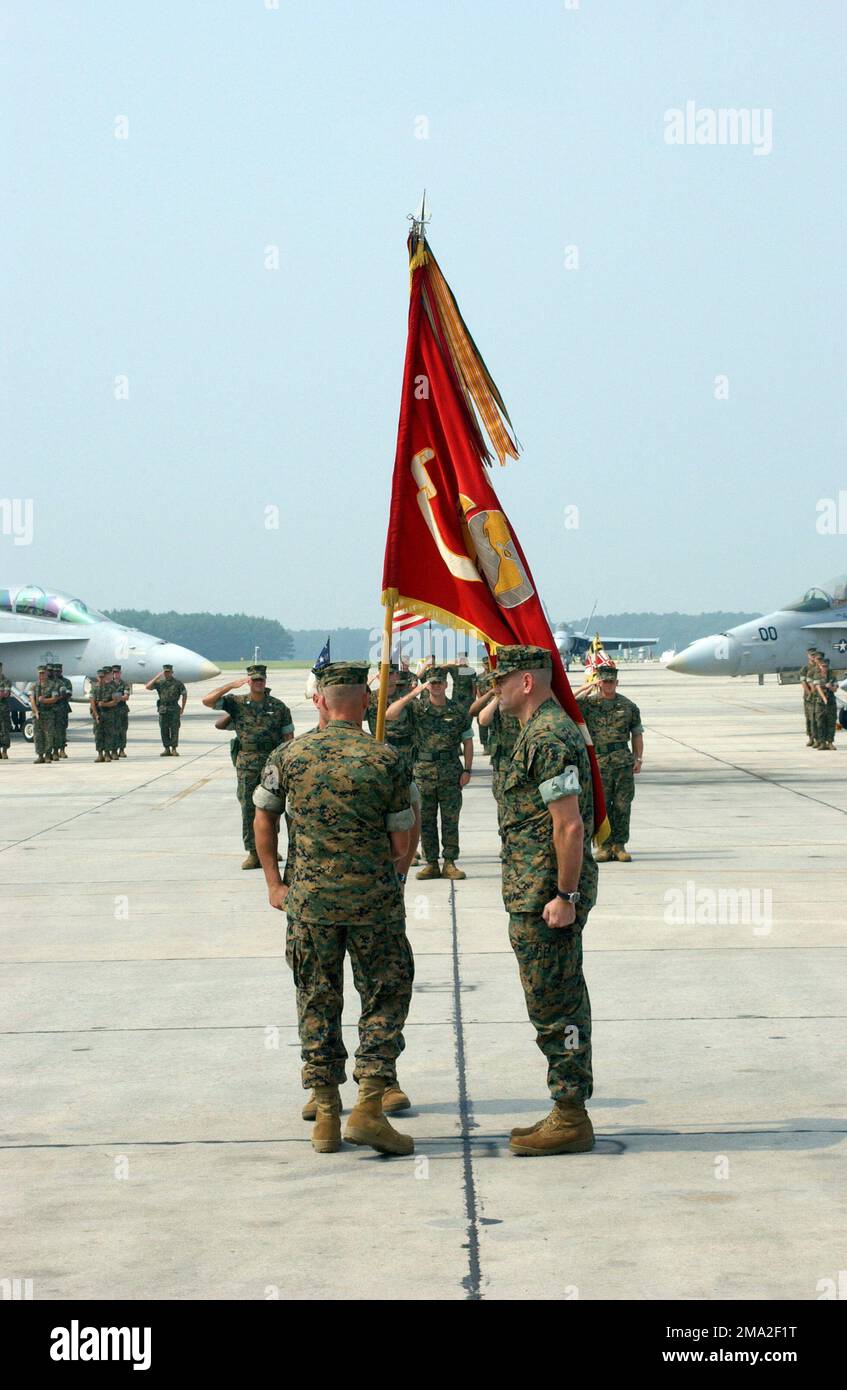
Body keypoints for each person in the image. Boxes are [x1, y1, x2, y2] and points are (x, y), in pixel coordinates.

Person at [252, 661, 416, 1157]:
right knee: (384, 996)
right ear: (366, 701)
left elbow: (262, 821)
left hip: (309, 905)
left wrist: (275, 883)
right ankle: (369, 1105)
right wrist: (389, 876)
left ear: (321, 701)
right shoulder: (386, 759)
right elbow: (403, 839)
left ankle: (325, 1112)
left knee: (316, 1000)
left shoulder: (289, 755)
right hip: (374, 905)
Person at [492, 644, 598, 1156]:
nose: (496, 689)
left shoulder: (550, 736)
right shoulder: (534, 732)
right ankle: (565, 1109)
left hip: (546, 898)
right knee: (548, 1002)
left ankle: (572, 1113)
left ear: (527, 682)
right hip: (531, 891)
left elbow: (570, 824)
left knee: (559, 1004)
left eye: (501, 680)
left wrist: (566, 895)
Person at [386, 664, 473, 880]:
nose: (435, 686)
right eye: (432, 683)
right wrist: (412, 694)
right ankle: (431, 862)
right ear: (427, 686)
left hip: (451, 770)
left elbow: (468, 741)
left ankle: (450, 862)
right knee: (425, 820)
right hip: (424, 771)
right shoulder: (418, 709)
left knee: (450, 819)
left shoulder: (458, 710)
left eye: (439, 683)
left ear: (445, 684)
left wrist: (468, 769)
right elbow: (389, 714)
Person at [203, 665, 294, 868]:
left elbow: (288, 737)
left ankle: (269, 849)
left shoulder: (279, 706)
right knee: (249, 807)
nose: (258, 682)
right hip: (247, 763)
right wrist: (230, 686)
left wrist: (286, 762)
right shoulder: (237, 703)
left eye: (261, 679)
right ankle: (254, 852)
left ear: (265, 681)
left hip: (272, 763)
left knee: (273, 806)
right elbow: (207, 701)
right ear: (248, 681)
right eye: (254, 680)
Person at [576, 662, 643, 862]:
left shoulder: (628, 706)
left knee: (623, 805)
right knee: (602, 805)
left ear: (617, 682)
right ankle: (604, 846)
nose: (609, 686)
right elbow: (567, 702)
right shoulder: (588, 705)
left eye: (612, 682)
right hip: (598, 762)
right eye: (605, 682)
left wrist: (638, 758)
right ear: (599, 682)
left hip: (622, 761)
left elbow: (637, 734)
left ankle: (619, 845)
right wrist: (586, 688)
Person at [469, 676, 520, 833]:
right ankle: (506, 844)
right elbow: (479, 716)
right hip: (504, 761)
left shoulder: (522, 698)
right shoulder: (498, 701)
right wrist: (495, 696)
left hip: (523, 759)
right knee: (504, 805)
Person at [146, 664, 187, 755]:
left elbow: (184, 695)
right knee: (163, 729)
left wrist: (183, 708)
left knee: (174, 729)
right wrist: (157, 677)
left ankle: (174, 749)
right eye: (165, 672)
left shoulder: (178, 683)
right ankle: (166, 748)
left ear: (172, 672)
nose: (166, 674)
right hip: (163, 708)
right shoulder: (160, 682)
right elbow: (148, 687)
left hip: (174, 708)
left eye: (168, 672)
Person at [30, 664, 60, 764]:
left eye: (43, 673)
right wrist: (36, 711)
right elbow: (32, 700)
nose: (41, 675)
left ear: (47, 673)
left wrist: (44, 700)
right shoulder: (34, 685)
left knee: (48, 735)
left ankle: (47, 755)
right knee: (38, 736)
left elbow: (55, 699)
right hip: (37, 714)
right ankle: (40, 755)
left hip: (48, 713)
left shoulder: (53, 685)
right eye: (40, 673)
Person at [811, 650, 838, 750]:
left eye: (826, 666)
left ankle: (830, 742)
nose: (824, 668)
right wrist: (824, 698)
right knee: (820, 723)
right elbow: (818, 688)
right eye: (823, 666)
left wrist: (830, 687)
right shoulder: (817, 675)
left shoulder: (832, 676)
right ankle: (822, 743)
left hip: (831, 702)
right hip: (820, 703)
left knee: (831, 722)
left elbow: (835, 689)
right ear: (820, 666)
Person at [110, 665, 130, 757]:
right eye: (114, 672)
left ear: (120, 673)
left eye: (117, 672)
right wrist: (118, 698)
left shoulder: (124, 684)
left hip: (122, 710)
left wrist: (117, 698)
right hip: (112, 710)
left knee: (123, 730)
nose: (116, 674)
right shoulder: (109, 684)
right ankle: (113, 750)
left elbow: (126, 697)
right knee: (113, 730)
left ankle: (122, 749)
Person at [801, 645, 819, 747]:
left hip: (818, 697)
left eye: (814, 655)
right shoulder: (805, 668)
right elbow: (803, 683)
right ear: (808, 656)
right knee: (809, 718)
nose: (813, 657)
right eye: (811, 655)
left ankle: (818, 739)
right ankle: (811, 738)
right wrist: (810, 694)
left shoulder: (820, 667)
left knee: (818, 719)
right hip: (809, 697)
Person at [0, 663, 12, 759]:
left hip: (4, 710)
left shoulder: (6, 681)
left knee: (5, 730)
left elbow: (6, 694)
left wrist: (2, 694)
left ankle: (4, 751)